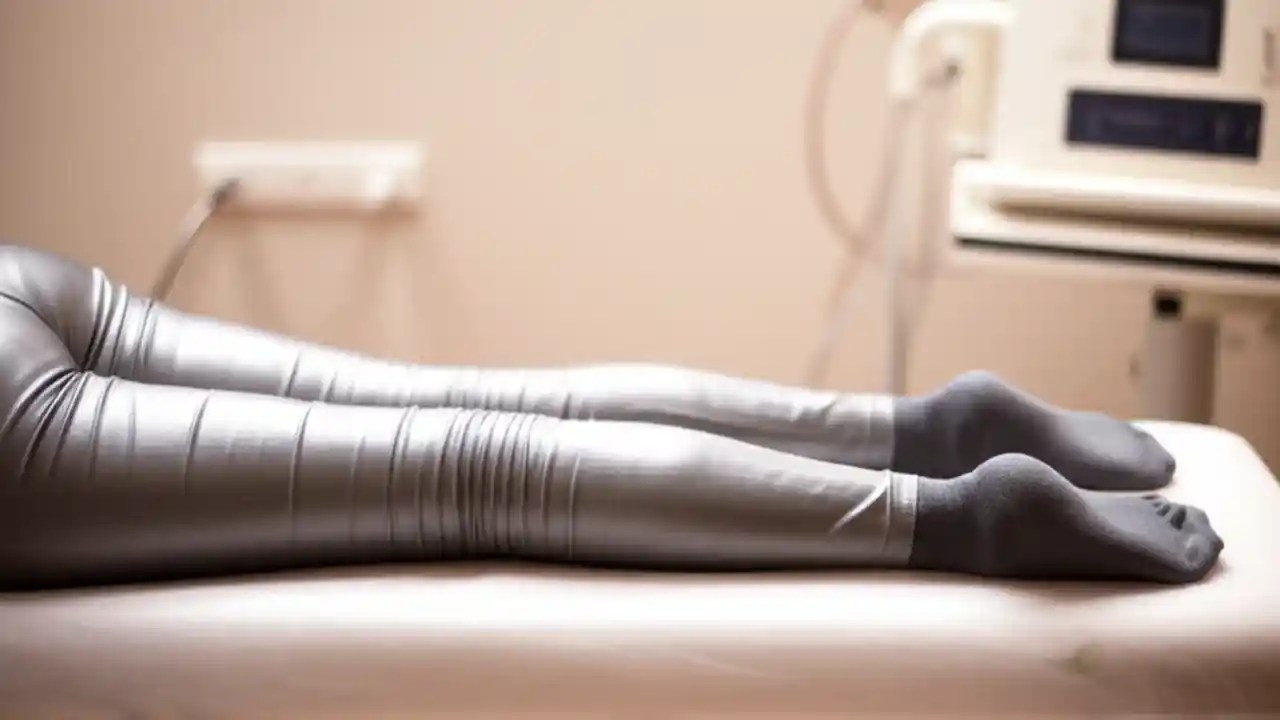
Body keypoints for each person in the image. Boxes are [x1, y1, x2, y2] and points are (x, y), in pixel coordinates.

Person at [0, 245, 1222, 588]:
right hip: (27, 280)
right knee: (477, 408)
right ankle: (925, 428)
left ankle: (958, 512)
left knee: (475, 468)